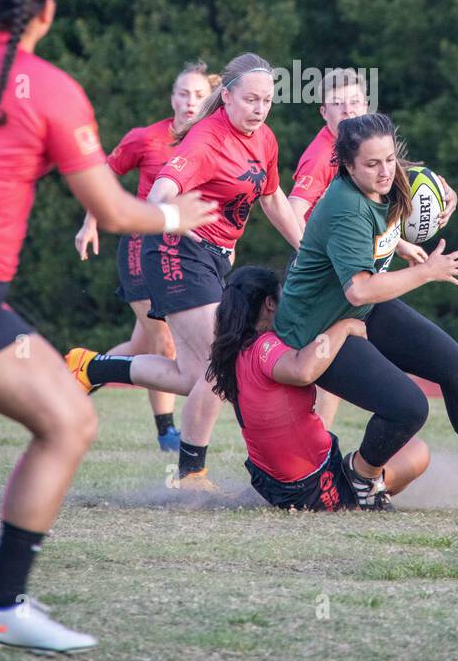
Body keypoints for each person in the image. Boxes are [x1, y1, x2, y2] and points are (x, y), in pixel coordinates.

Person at [0, 0, 217, 654]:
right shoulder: (51, 89)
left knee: (69, 420)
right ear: (41, 10)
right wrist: (176, 215)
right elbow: (113, 211)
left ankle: (1, 606)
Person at [274, 112, 458, 506]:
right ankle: (361, 477)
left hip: (361, 312)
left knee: (457, 366)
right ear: (348, 166)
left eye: (389, 158)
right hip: (319, 327)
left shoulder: (386, 177)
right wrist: (429, 272)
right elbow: (359, 291)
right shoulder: (346, 207)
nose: (386, 171)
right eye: (372, 164)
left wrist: (445, 194)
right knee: (407, 407)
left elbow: (419, 178)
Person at [66, 53, 302, 489]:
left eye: (267, 101)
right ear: (227, 96)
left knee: (192, 376)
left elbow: (272, 199)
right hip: (178, 250)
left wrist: (306, 249)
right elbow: (160, 193)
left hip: (214, 257)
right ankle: (192, 472)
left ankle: (91, 368)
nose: (259, 108)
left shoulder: (265, 138)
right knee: (222, 359)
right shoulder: (205, 140)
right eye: (251, 99)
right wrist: (167, 217)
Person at [287, 67, 458, 431]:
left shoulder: (369, 149)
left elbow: (398, 188)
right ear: (323, 111)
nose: (348, 111)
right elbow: (295, 212)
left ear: (367, 103)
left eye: (355, 102)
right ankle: (313, 454)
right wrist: (328, 256)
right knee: (320, 373)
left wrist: (400, 239)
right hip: (328, 284)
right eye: (338, 104)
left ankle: (321, 447)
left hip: (353, 276)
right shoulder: (323, 158)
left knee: (331, 378)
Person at [73, 62, 216, 453]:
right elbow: (101, 174)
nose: (190, 102)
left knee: (142, 345)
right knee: (164, 340)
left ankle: (80, 373)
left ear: (211, 100)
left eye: (200, 95)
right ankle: (167, 430)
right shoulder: (146, 139)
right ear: (172, 98)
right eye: (184, 94)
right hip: (143, 246)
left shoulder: (214, 140)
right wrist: (92, 223)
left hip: (185, 254)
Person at [206, 266, 429, 510]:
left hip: (272, 482)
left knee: (383, 458)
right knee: (419, 452)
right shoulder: (264, 346)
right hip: (314, 487)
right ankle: (366, 488)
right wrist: (344, 326)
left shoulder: (235, 351)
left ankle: (369, 482)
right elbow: (303, 371)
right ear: (270, 303)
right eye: (283, 299)